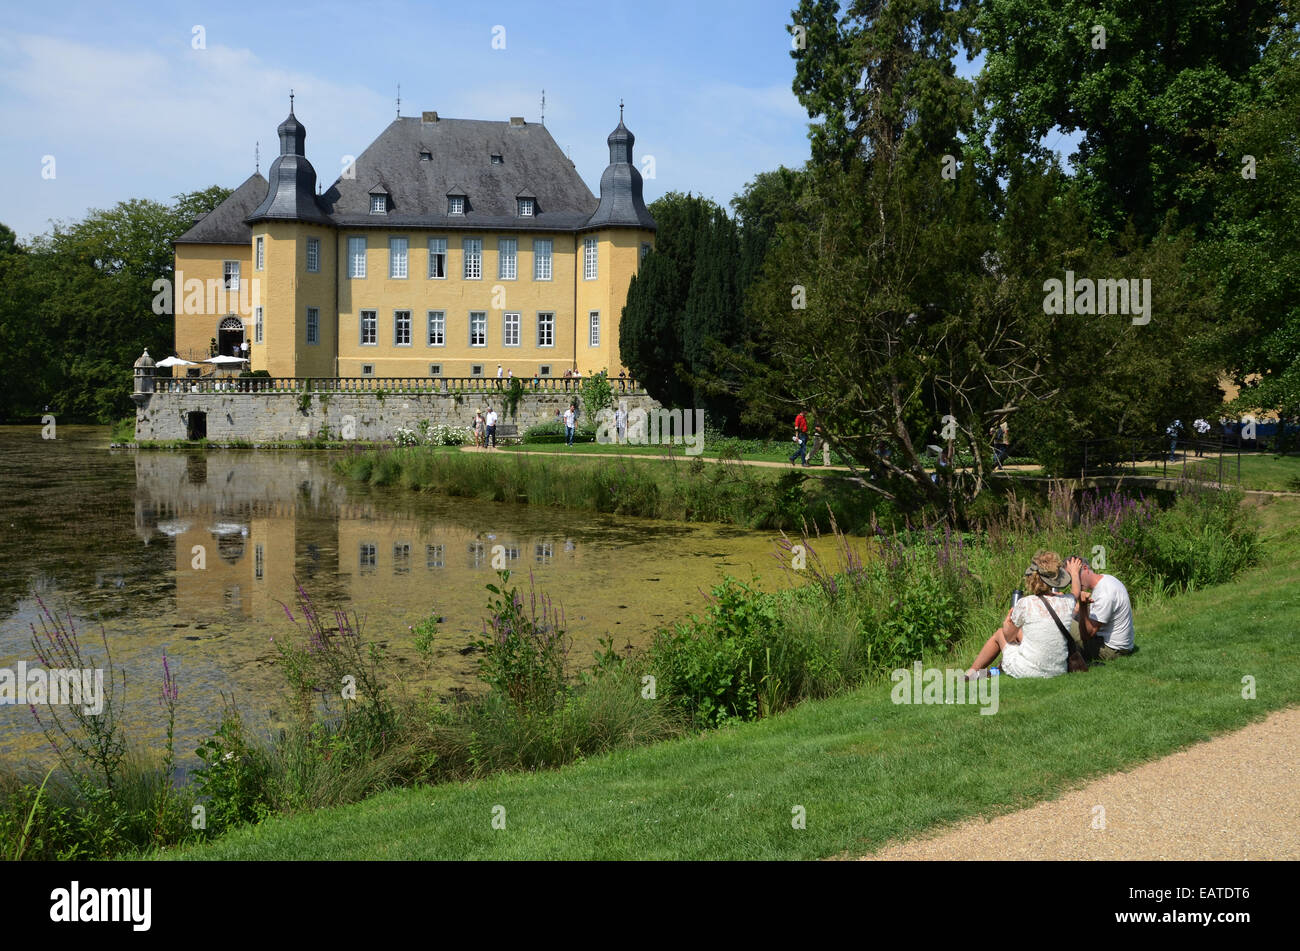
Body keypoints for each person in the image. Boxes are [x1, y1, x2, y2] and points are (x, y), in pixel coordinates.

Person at [966, 551, 1077, 679]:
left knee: (999, 633)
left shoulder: (1026, 603)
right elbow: (1076, 593)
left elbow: (1009, 637)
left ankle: (971, 673)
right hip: (1058, 670)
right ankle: (992, 671)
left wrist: (1006, 623)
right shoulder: (1067, 601)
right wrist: (1074, 573)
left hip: (1028, 671)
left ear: (1032, 578)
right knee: (1023, 634)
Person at [1065, 556, 1135, 661]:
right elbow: (1080, 611)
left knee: (1062, 619)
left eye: (1075, 575)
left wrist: (1082, 606)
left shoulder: (1105, 593)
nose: (1074, 582)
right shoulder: (1106, 579)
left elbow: (1087, 635)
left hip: (1111, 650)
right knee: (1069, 616)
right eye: (1071, 579)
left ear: (1085, 568)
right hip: (1120, 645)